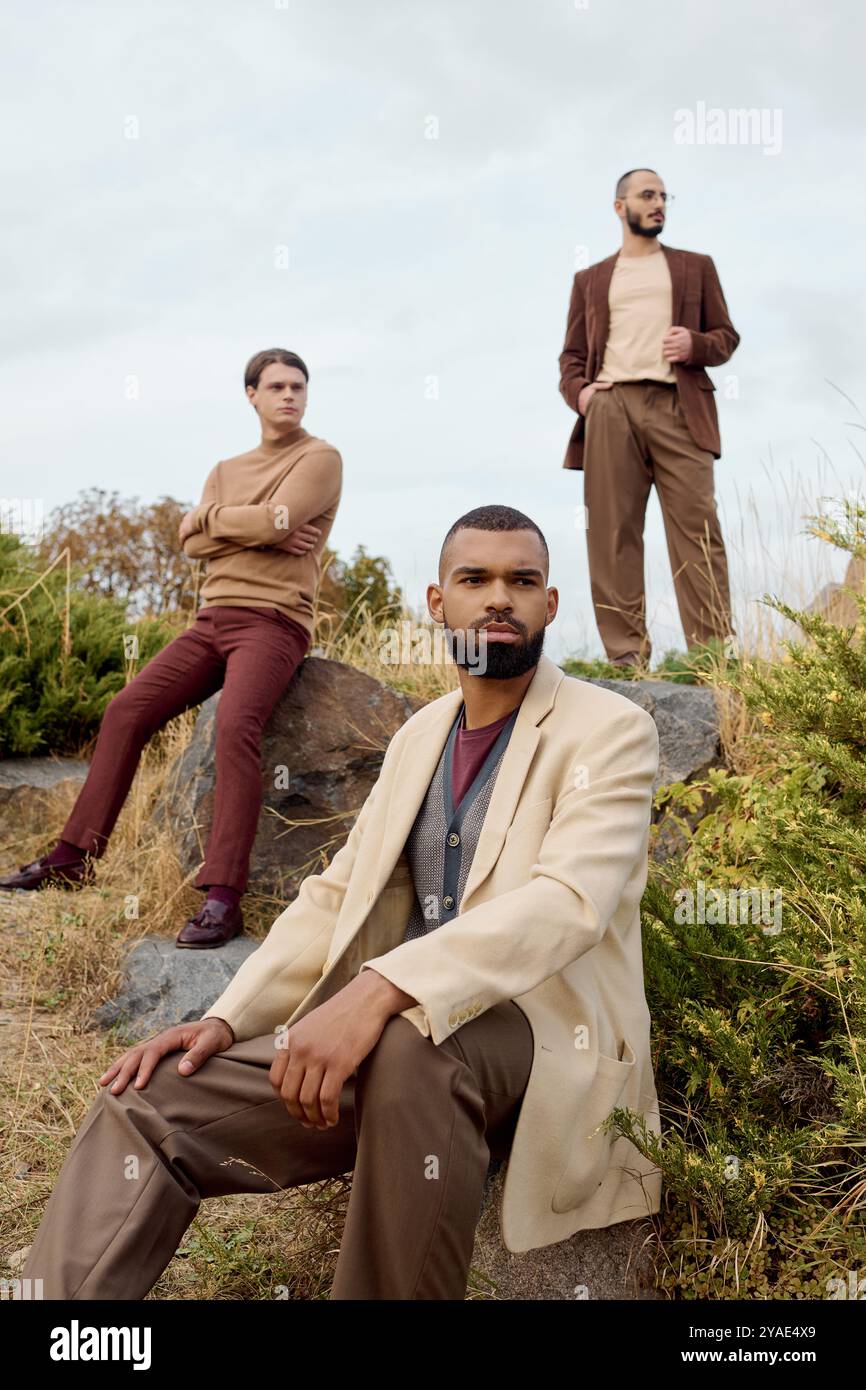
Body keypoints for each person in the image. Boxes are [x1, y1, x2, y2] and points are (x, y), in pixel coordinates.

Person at [22, 505, 662, 1301]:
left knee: (409, 1045)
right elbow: (335, 894)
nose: (499, 598)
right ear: (437, 603)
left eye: (521, 581)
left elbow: (569, 903)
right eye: (475, 580)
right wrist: (229, 1018)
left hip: (539, 1040)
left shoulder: (611, 731)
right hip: (402, 1047)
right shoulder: (419, 736)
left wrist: (379, 990)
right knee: (149, 1096)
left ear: (549, 605)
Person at [0, 348, 342, 948]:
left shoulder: (320, 457)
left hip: (274, 622)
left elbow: (277, 524)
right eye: (277, 386)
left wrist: (208, 520)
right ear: (251, 395)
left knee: (234, 726)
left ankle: (223, 898)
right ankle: (72, 857)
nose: (290, 396)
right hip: (211, 620)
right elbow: (194, 548)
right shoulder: (225, 468)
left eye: (299, 387)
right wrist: (242, 523)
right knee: (126, 711)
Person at [559, 167, 739, 669]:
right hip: (611, 408)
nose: (658, 203)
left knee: (698, 531)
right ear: (621, 207)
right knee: (611, 533)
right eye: (647, 195)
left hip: (679, 406)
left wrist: (696, 344)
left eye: (663, 195)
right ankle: (626, 659)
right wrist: (582, 395)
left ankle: (713, 659)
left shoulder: (695, 267)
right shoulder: (590, 279)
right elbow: (570, 356)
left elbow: (726, 336)